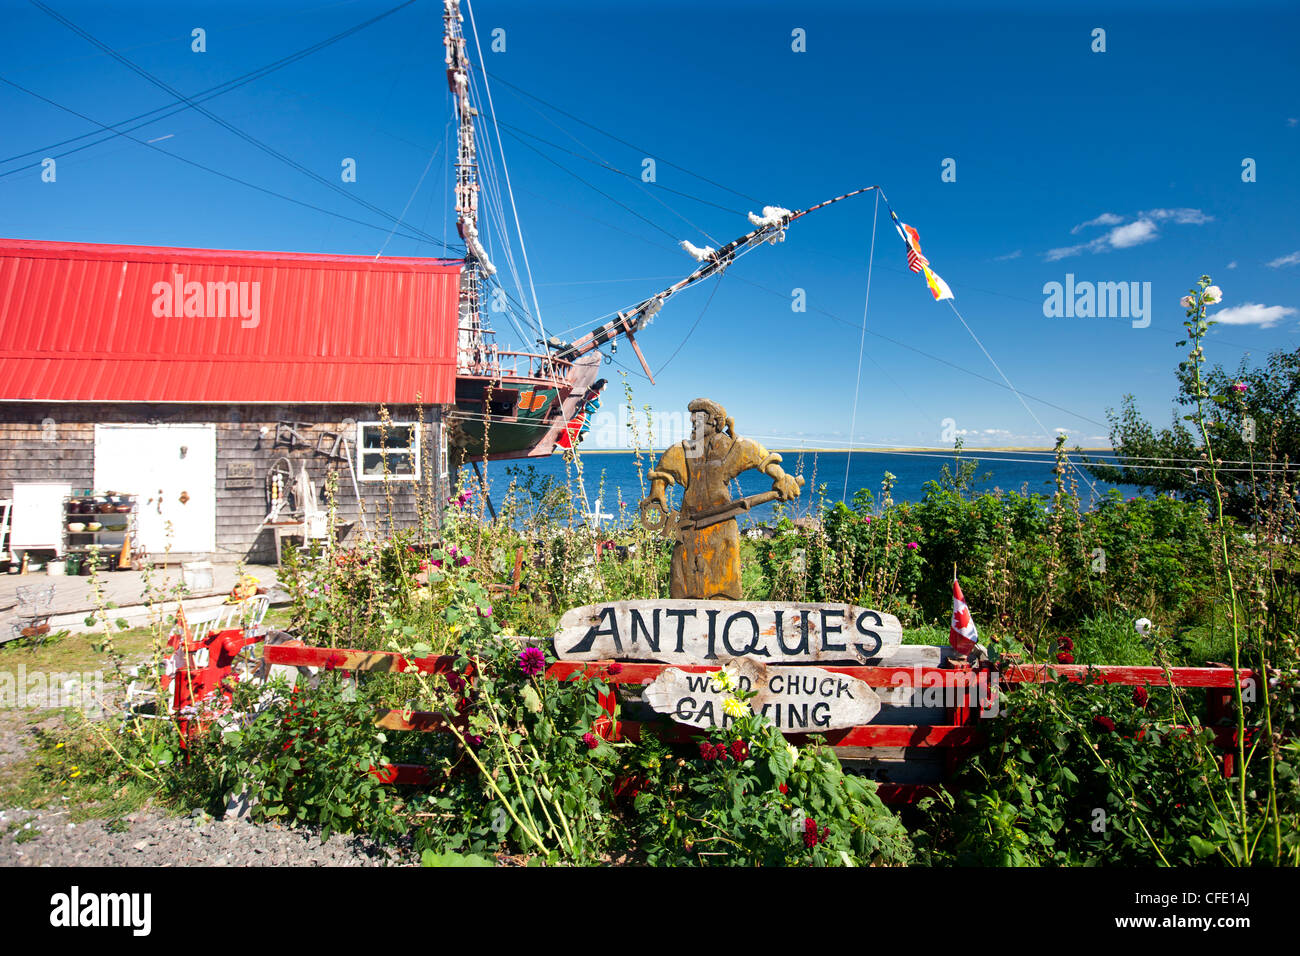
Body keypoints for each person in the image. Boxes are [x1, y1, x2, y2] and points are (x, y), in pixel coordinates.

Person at [641, 398, 800, 599]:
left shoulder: (733, 447)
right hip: (688, 527)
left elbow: (762, 458)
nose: (692, 422)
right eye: (692, 418)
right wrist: (657, 492)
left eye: (698, 419)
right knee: (684, 588)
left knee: (724, 587)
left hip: (723, 526)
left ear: (715, 422)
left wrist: (782, 478)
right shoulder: (683, 450)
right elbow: (663, 471)